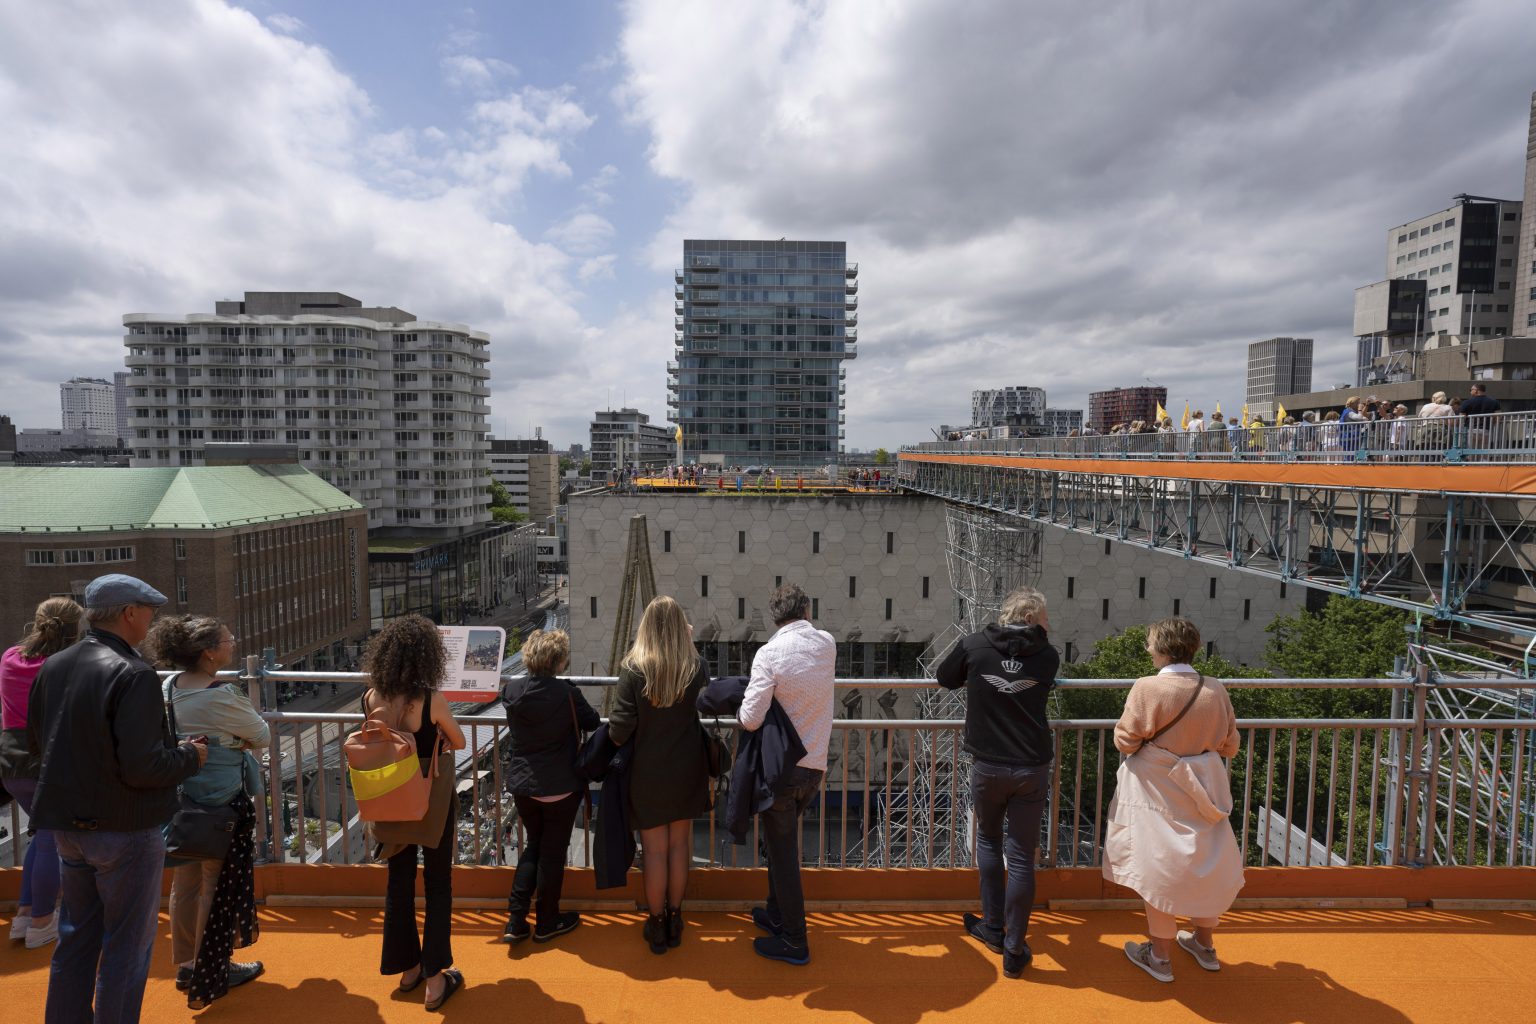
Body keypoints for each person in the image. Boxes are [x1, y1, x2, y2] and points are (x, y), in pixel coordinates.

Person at [27, 574, 207, 1024]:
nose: (151, 618)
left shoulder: (54, 665)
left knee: (76, 938)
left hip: (67, 828)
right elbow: (145, 766)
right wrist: (190, 756)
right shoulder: (134, 674)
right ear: (129, 613)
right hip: (125, 829)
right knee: (126, 947)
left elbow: (36, 743)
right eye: (148, 610)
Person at [1104, 618, 1243, 984]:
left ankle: (1160, 956)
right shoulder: (1215, 689)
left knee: (1159, 867)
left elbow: (1126, 740)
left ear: (1163, 648)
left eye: (1150, 644)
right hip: (1204, 785)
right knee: (1205, 863)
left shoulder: (1147, 687)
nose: (1148, 650)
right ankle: (1204, 943)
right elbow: (1230, 744)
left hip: (1156, 787)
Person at [145, 615, 269, 1009]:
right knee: (217, 884)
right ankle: (211, 966)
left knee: (186, 882)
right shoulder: (221, 693)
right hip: (221, 797)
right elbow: (261, 734)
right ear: (209, 652)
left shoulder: (168, 686)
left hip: (182, 797)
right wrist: (231, 741)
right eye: (227, 640)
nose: (233, 644)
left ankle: (186, 963)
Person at [936, 588, 1059, 978]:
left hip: (988, 765)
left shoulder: (975, 645)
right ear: (1034, 620)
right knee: (1022, 854)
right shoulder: (1048, 655)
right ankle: (1014, 949)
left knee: (988, 841)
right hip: (1031, 767)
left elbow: (944, 678)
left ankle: (992, 926)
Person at [363, 615, 468, 1012]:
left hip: (389, 798)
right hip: (429, 801)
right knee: (438, 884)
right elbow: (456, 740)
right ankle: (436, 979)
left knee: (398, 882)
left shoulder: (371, 697)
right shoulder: (429, 699)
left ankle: (407, 969)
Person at [608, 596, 712, 955]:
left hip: (647, 774)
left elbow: (619, 729)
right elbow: (706, 705)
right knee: (680, 846)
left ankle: (655, 926)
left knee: (653, 852)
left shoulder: (634, 669)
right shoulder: (695, 666)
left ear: (645, 626)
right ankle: (675, 917)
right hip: (687, 769)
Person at [740, 584, 835, 966]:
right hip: (814, 768)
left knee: (783, 856)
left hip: (780, 773)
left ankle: (795, 940)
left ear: (775, 617)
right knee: (781, 848)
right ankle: (776, 914)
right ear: (807, 610)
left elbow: (750, 719)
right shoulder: (827, 643)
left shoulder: (769, 654)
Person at [499, 628, 599, 943]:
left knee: (534, 846)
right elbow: (593, 721)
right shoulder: (567, 693)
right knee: (552, 854)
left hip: (525, 785)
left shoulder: (512, 692)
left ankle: (516, 920)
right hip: (560, 785)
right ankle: (547, 921)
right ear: (558, 661)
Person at [1, 597, 82, 949]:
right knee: (51, 839)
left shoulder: (9, 657)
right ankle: (41, 921)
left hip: (11, 760)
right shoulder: (65, 664)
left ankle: (24, 915)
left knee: (42, 834)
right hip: (47, 759)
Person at [1460, 382, 1501, 450]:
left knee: (1470, 452)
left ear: (1476, 390)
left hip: (1471, 430)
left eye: (1471, 389)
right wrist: (1492, 423)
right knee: (1484, 453)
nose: (1470, 391)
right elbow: (1498, 417)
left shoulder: (1467, 402)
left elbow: (1461, 417)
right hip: (1485, 430)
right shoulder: (1494, 402)